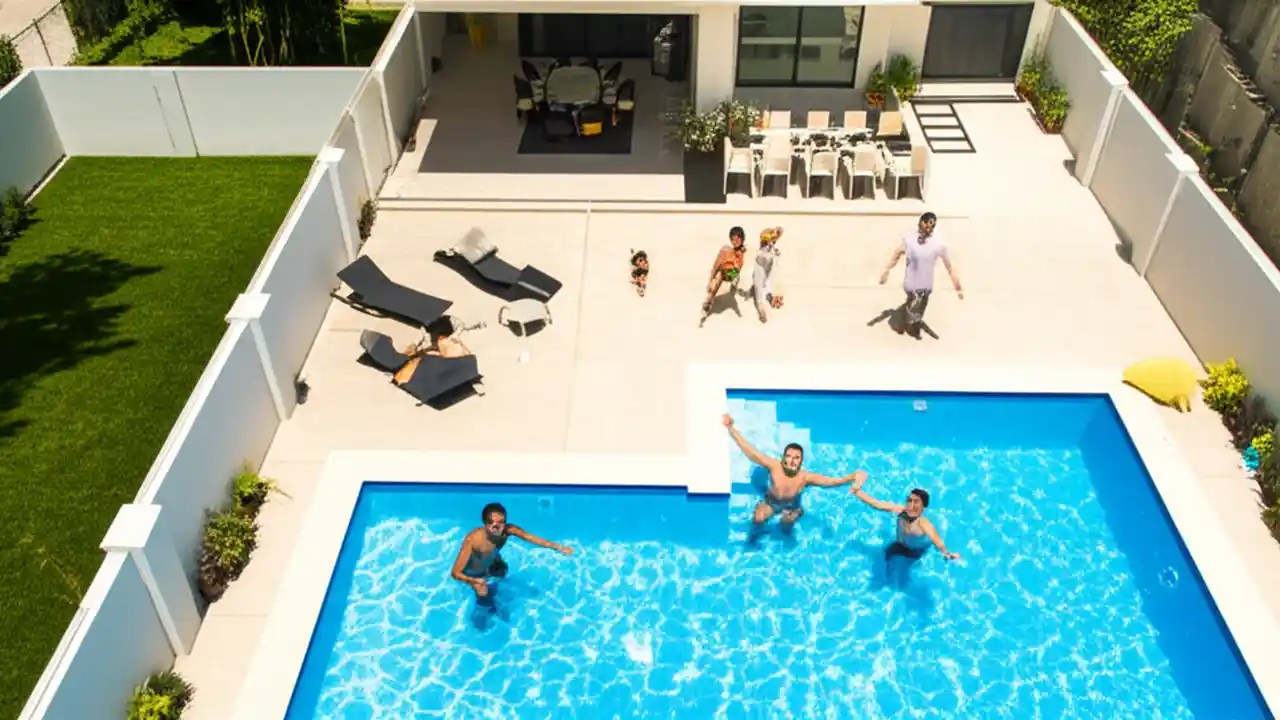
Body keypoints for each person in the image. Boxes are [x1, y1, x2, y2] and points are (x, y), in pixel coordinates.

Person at [722, 413, 868, 533]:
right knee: (757, 519)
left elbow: (830, 482)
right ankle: (753, 541)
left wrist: (852, 477)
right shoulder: (774, 467)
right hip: (771, 502)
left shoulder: (804, 478)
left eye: (796, 458)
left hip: (791, 506)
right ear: (783, 458)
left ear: (801, 462)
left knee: (786, 525)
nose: (792, 461)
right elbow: (751, 452)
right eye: (789, 457)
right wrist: (731, 428)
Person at [450, 502, 573, 603]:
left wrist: (558, 547)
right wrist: (473, 581)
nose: (496, 526)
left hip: (492, 561)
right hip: (474, 573)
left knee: (503, 571)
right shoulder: (473, 539)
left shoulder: (508, 530)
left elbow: (531, 538)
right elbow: (455, 572)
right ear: (484, 522)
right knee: (484, 596)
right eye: (491, 521)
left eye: (500, 522)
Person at [878, 212, 963, 338]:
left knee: (920, 307)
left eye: (930, 227)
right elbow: (897, 254)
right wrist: (887, 269)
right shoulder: (910, 240)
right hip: (911, 283)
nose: (927, 230)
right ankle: (908, 322)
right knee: (914, 304)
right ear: (919, 223)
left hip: (926, 284)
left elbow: (949, 266)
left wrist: (958, 287)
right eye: (924, 226)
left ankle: (912, 322)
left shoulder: (938, 244)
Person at [849, 480, 960, 561]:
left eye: (916, 502)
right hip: (900, 544)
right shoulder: (900, 511)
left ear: (923, 506)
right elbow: (876, 504)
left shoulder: (923, 523)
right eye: (909, 501)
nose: (911, 505)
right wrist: (857, 492)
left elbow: (936, 539)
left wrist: (948, 554)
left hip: (915, 551)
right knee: (886, 555)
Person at [700, 226, 747, 324]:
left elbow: (738, 266)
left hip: (733, 273)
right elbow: (715, 266)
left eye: (738, 238)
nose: (736, 241)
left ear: (742, 239)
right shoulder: (726, 250)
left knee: (730, 272)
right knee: (718, 277)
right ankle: (708, 303)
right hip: (724, 273)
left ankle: (732, 281)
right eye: (734, 239)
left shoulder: (741, 252)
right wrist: (710, 280)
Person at [751, 227, 785, 323]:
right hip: (760, 272)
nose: (770, 244)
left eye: (772, 242)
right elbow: (763, 256)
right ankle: (761, 311)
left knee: (767, 288)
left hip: (767, 274)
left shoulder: (773, 249)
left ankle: (768, 301)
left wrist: (775, 233)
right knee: (759, 294)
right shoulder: (761, 252)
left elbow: (780, 230)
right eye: (767, 242)